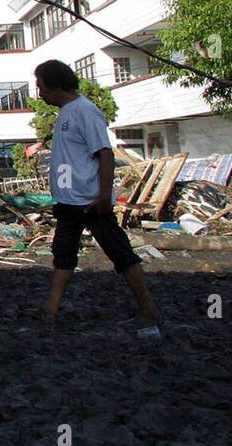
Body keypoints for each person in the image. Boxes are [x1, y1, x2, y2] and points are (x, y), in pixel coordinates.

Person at [34, 59, 161, 336]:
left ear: (56, 86)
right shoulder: (66, 112)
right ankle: (49, 311)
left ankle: (148, 311)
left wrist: (104, 195)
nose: (39, 93)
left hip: (90, 202)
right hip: (69, 203)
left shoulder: (86, 112)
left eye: (41, 86)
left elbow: (105, 154)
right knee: (63, 256)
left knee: (121, 255)